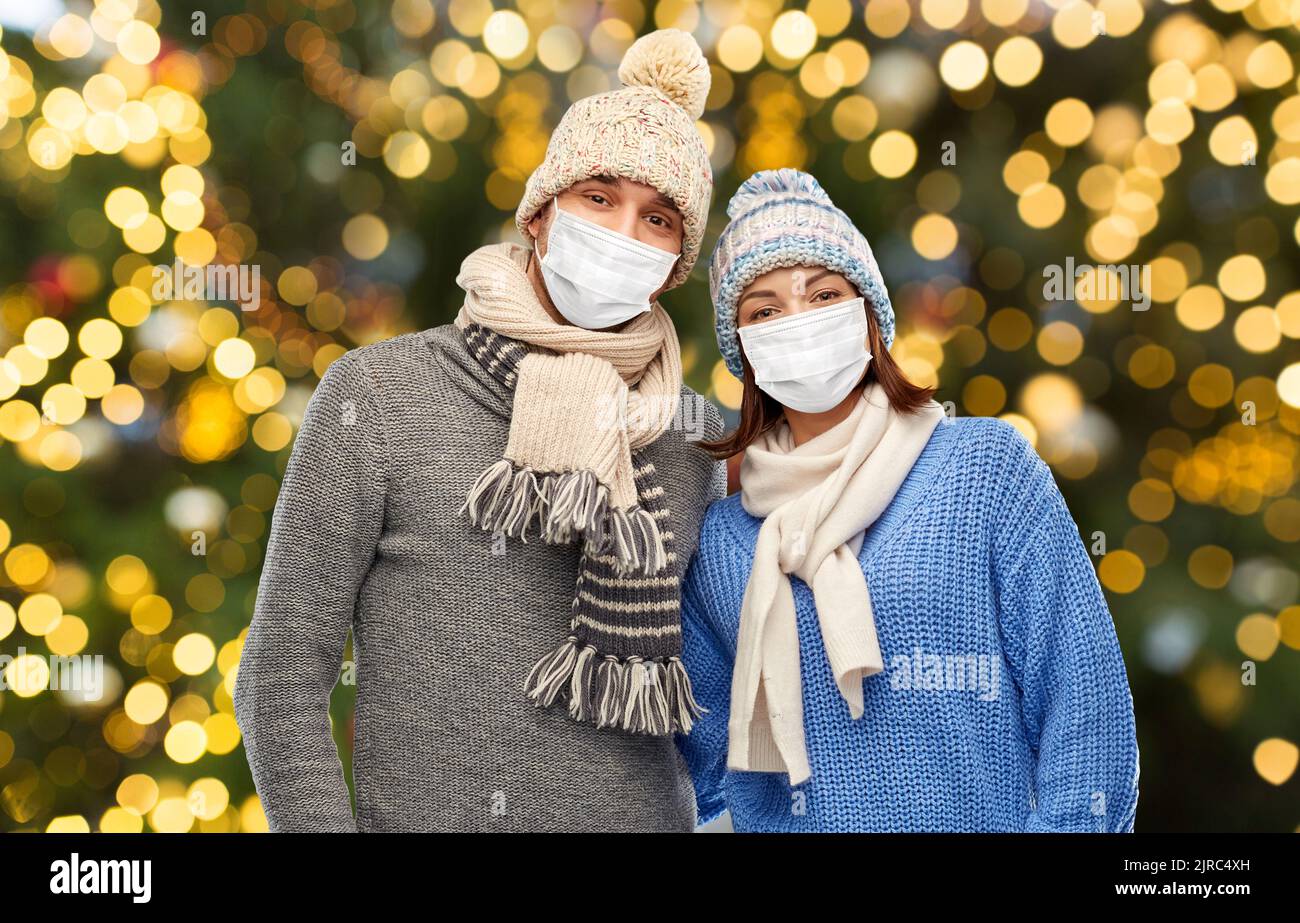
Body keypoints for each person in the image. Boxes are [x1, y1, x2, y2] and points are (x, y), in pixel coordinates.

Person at [233, 29, 727, 832]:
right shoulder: (378, 396)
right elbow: (279, 673)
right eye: (598, 197)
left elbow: (742, 688)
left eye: (658, 219)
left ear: (675, 266)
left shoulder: (699, 436)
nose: (621, 235)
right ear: (540, 214)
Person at [674, 168, 1140, 832]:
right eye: (764, 310)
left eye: (824, 293)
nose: (797, 322)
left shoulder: (986, 469)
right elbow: (701, 771)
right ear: (742, 349)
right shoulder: (725, 540)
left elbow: (1085, 711)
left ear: (868, 316)